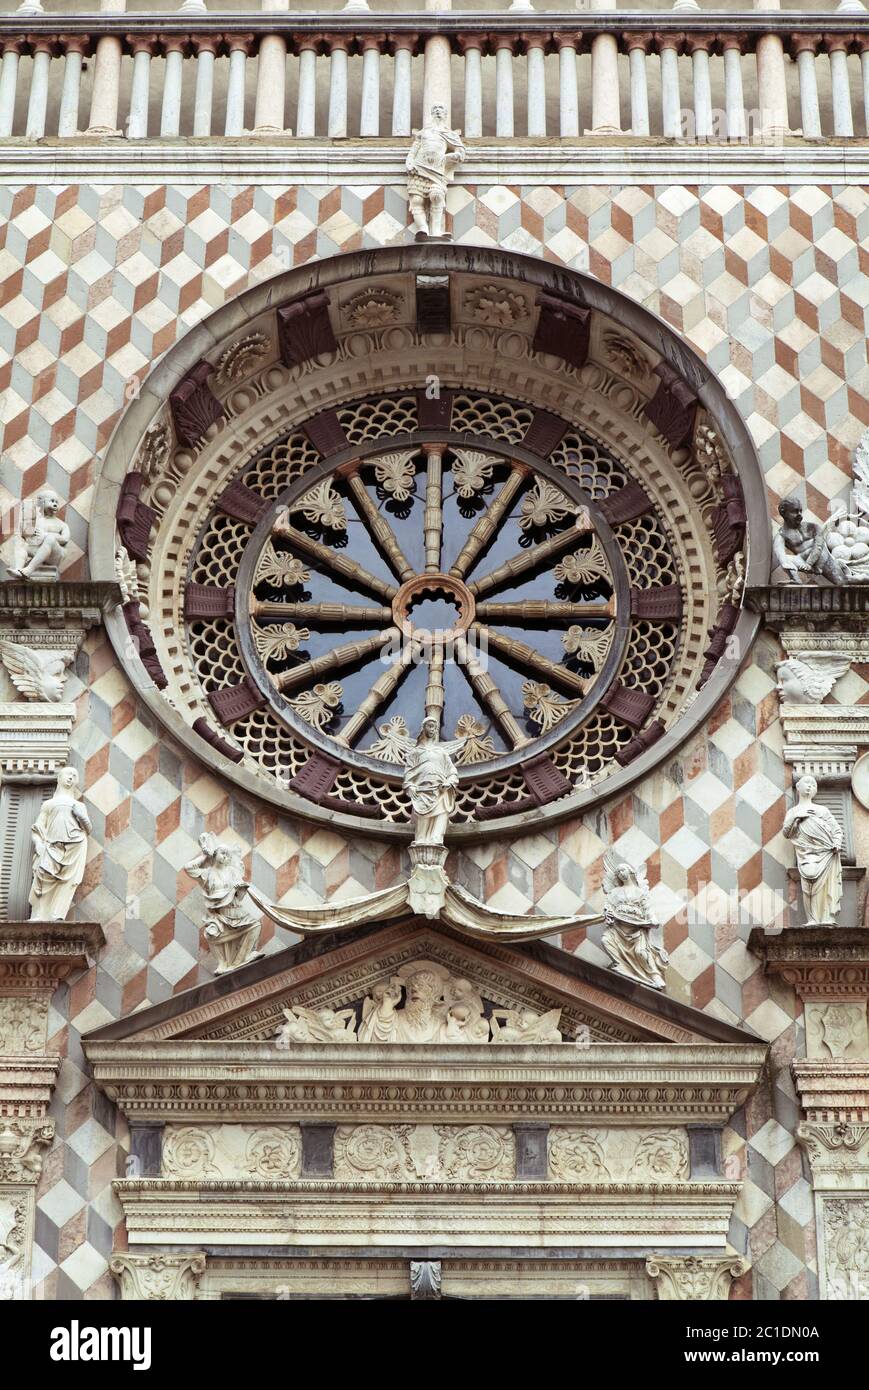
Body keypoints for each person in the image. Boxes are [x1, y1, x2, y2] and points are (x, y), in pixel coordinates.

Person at [29, 767, 91, 921]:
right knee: (43, 875)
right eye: (68, 774)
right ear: (59, 778)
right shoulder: (49, 804)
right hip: (51, 846)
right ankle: (39, 914)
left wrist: (81, 816)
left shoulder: (79, 805)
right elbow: (38, 827)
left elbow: (88, 828)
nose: (71, 778)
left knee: (68, 882)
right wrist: (38, 843)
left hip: (74, 845)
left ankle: (57, 914)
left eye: (74, 775)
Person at [782, 775, 844, 924]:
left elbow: (837, 830)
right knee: (809, 880)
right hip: (806, 853)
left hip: (826, 852)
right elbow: (786, 832)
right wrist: (797, 818)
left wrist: (837, 842)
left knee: (825, 885)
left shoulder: (822, 810)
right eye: (807, 783)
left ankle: (827, 917)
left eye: (813, 784)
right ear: (798, 787)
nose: (810, 786)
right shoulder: (793, 812)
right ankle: (812, 918)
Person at [406, 105, 466, 239]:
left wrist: (449, 157)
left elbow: (460, 152)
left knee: (437, 196)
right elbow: (414, 149)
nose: (438, 111)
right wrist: (409, 162)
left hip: (437, 169)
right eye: (435, 109)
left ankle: (436, 231)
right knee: (416, 199)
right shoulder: (424, 132)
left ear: (445, 114)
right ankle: (423, 230)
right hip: (419, 166)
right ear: (431, 114)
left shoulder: (449, 134)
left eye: (441, 109)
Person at [772, 496, 848, 585]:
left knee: (843, 582)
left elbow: (819, 546)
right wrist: (799, 566)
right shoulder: (781, 536)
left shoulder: (812, 527)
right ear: (783, 512)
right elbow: (779, 553)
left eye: (800, 511)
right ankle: (796, 580)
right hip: (802, 560)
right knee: (784, 559)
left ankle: (861, 577)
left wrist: (809, 563)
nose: (799, 514)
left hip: (822, 559)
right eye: (795, 511)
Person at [8, 489, 70, 581]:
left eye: (56, 502)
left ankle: (28, 570)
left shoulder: (62, 524)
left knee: (50, 538)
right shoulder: (36, 521)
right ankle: (18, 569)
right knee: (20, 543)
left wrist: (45, 535)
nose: (55, 504)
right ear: (41, 502)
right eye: (52, 501)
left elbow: (65, 539)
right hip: (38, 550)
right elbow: (25, 534)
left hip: (55, 555)